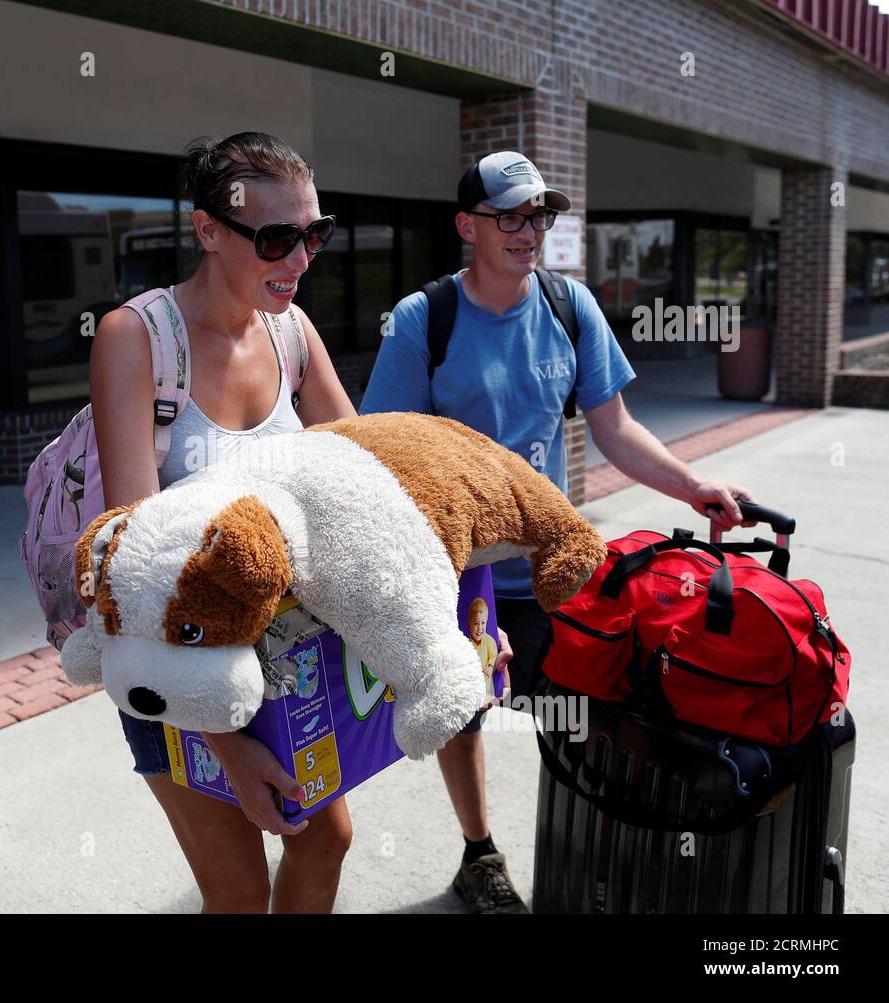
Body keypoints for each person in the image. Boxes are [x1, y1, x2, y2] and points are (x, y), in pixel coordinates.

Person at [360, 150, 757, 913]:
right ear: (466, 226)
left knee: (590, 702)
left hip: (552, 563)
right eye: (509, 215)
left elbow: (615, 426)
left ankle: (595, 846)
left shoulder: (570, 307)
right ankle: (480, 854)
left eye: (538, 214)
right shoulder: (425, 318)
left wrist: (694, 483)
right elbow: (387, 447)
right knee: (467, 708)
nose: (527, 230)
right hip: (463, 571)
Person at [89, 132, 358, 913]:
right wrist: (225, 744)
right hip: (170, 665)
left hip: (278, 656)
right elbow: (135, 570)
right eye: (276, 238)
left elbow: (369, 482)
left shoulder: (293, 332)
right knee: (237, 894)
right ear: (208, 229)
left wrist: (453, 624)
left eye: (315, 234)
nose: (301, 259)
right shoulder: (135, 338)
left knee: (326, 836)